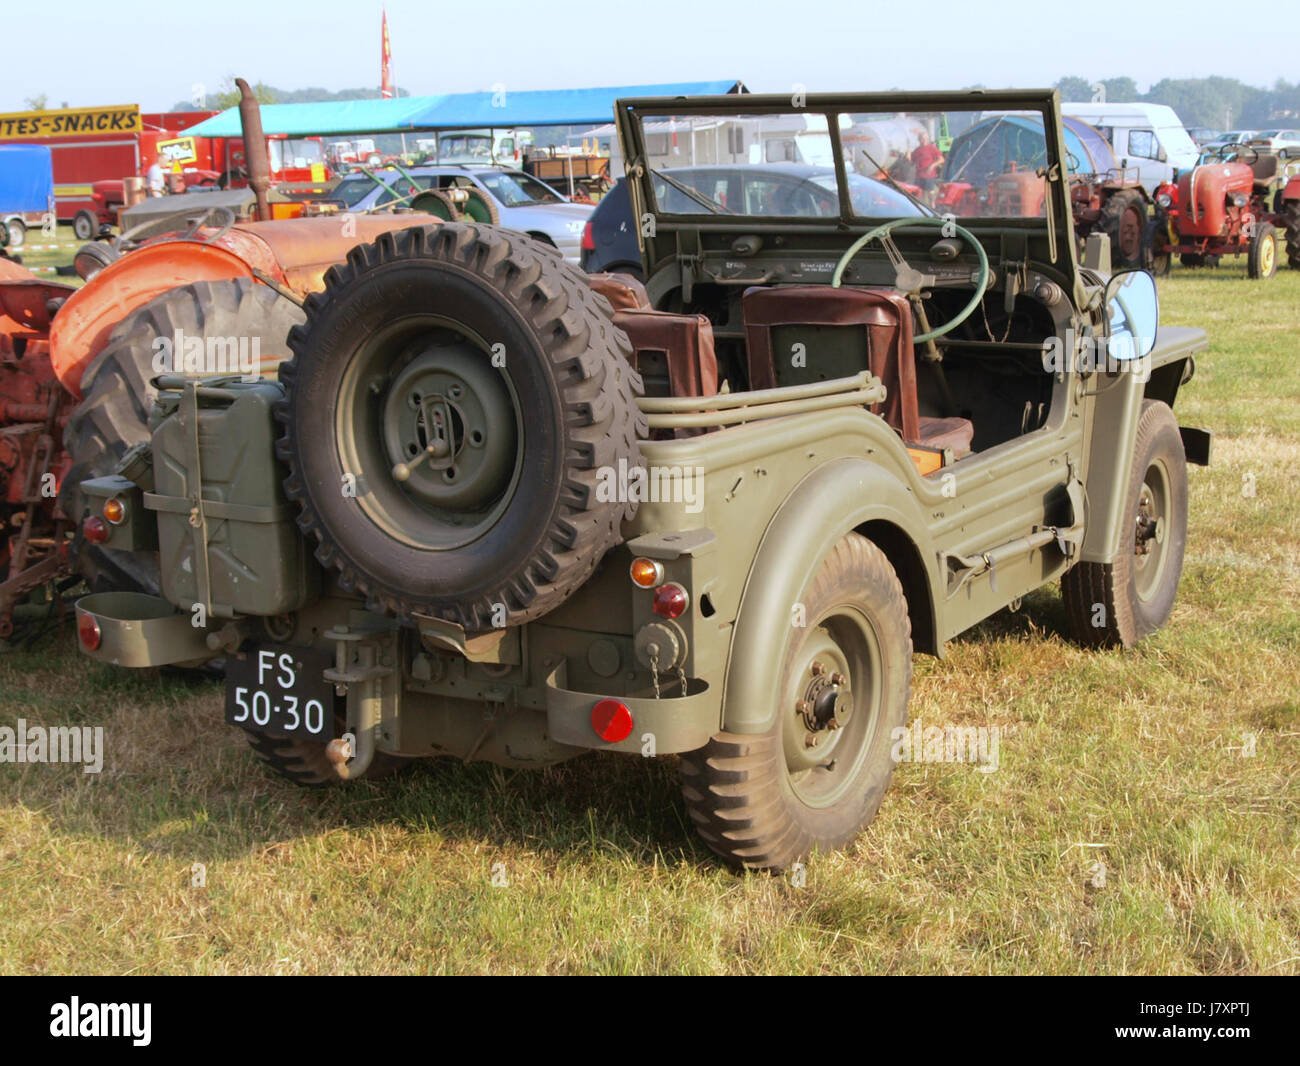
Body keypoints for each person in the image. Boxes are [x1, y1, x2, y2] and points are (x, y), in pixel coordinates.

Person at [911, 131, 945, 204]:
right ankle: (922, 208)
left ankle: (933, 208)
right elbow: (912, 163)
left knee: (930, 193)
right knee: (919, 194)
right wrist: (908, 157)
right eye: (922, 138)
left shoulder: (932, 148)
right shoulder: (917, 150)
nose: (924, 140)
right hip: (919, 176)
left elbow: (941, 159)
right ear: (919, 139)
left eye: (926, 138)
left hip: (929, 175)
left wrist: (932, 166)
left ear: (928, 139)